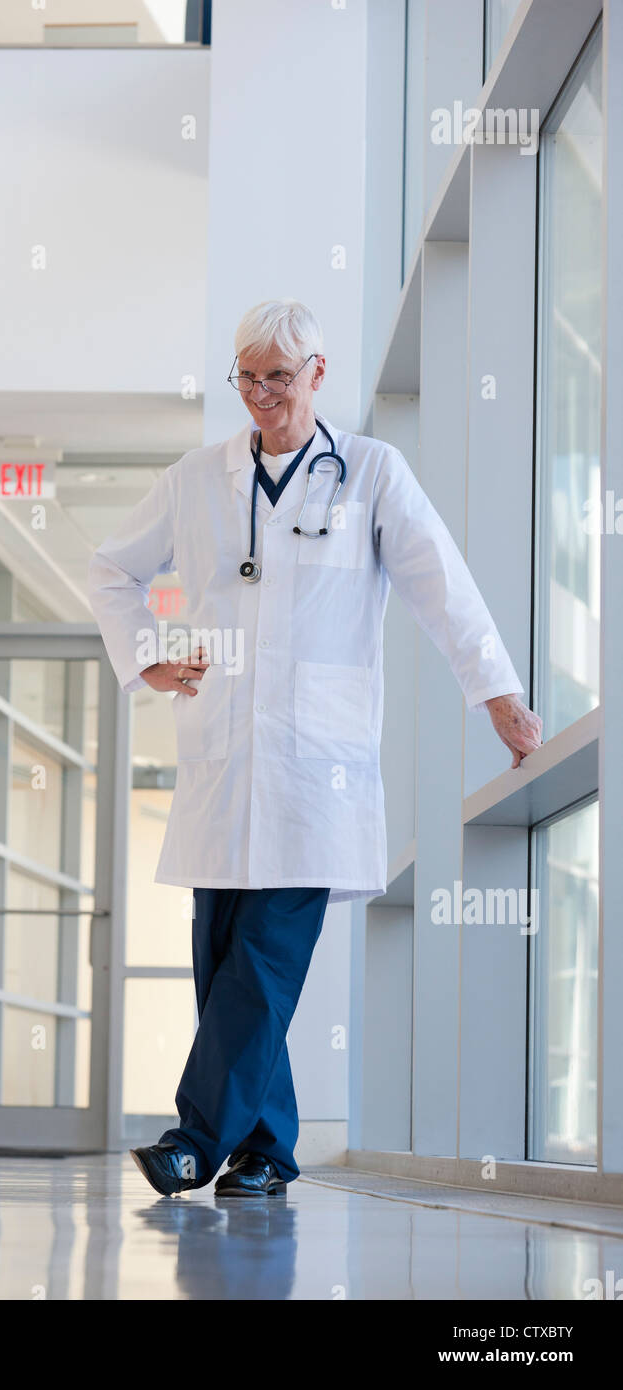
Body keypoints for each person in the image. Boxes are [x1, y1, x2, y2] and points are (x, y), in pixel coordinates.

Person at [88, 298, 542, 1199]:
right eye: (247, 378)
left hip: (316, 770)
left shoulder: (371, 472)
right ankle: (267, 1151)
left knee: (261, 962)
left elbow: (440, 586)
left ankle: (195, 1139)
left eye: (279, 379)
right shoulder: (195, 479)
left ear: (319, 376)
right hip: (222, 758)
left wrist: (498, 693)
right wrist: (151, 658)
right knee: (223, 965)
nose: (261, 395)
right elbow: (112, 568)